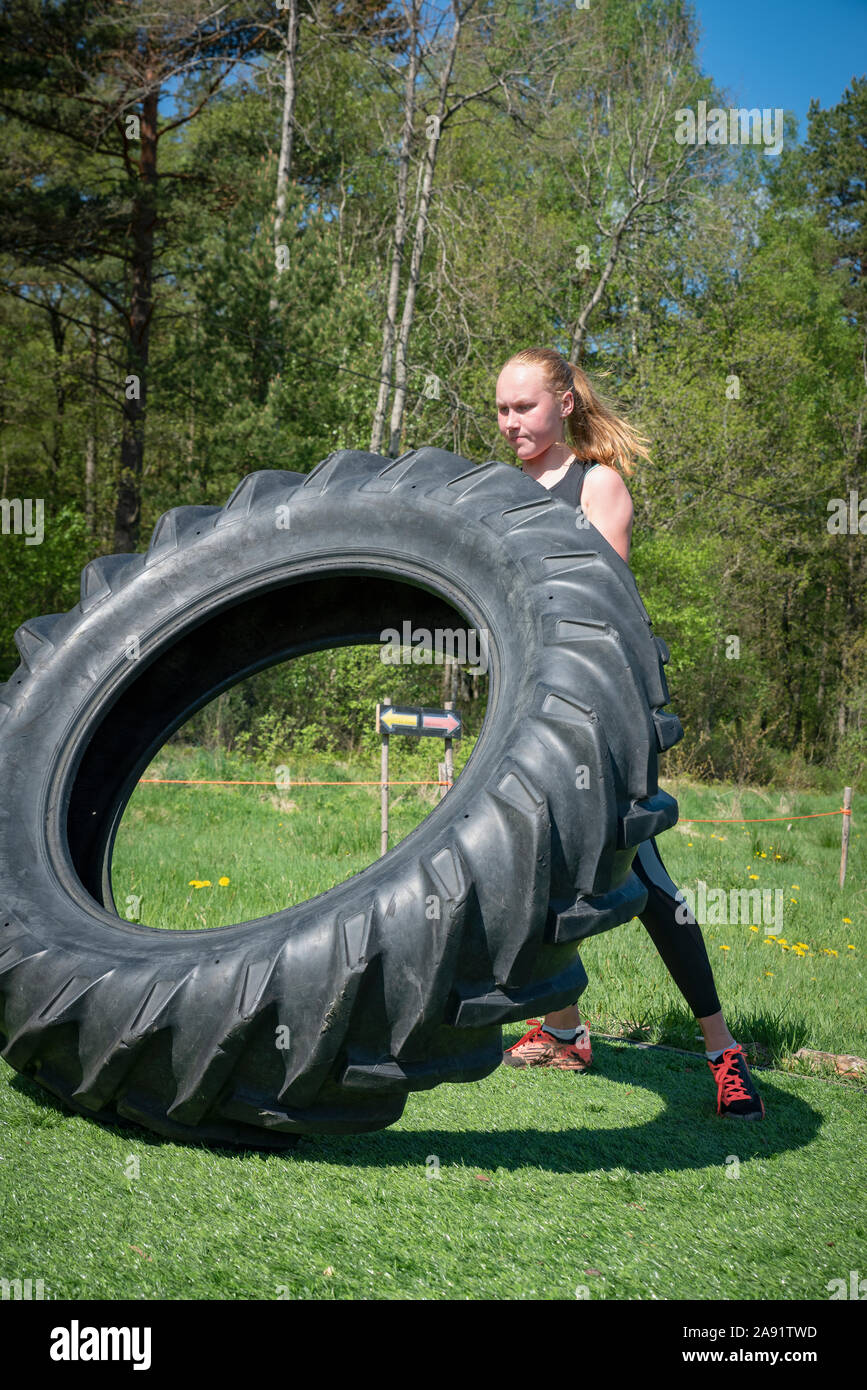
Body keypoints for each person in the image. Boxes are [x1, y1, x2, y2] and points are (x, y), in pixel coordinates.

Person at [495, 346, 765, 1120]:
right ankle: (564, 1032)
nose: (512, 422)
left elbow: (599, 603)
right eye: (503, 410)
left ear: (564, 405)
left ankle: (724, 1054)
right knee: (543, 866)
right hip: (529, 704)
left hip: (604, 706)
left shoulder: (596, 483)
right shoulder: (505, 492)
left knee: (646, 884)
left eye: (525, 408)